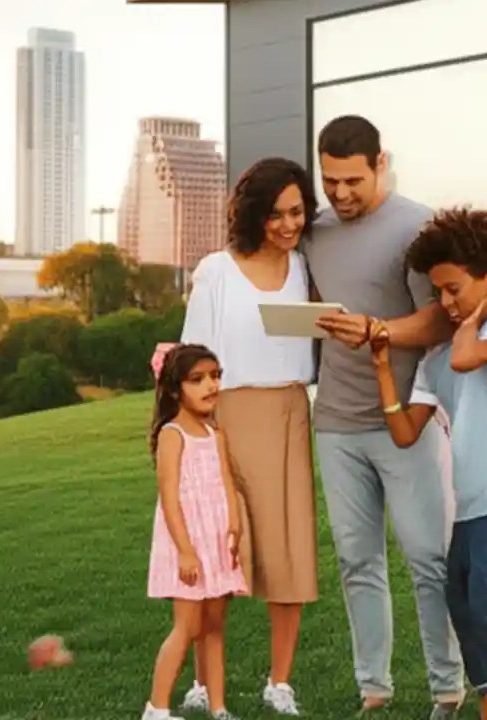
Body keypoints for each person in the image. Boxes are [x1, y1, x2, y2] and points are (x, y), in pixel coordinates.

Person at [306, 114, 464, 718]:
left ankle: (446, 689)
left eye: (352, 180)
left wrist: (378, 332)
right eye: (330, 182)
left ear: (380, 164)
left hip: (408, 423)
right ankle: (374, 688)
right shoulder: (314, 232)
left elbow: (439, 318)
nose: (340, 194)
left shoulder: (416, 227)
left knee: (428, 556)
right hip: (337, 423)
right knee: (356, 559)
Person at [368, 207, 487, 720]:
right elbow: (404, 432)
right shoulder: (435, 360)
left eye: (454, 289)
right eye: (437, 292)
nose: (444, 303)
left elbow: (470, 357)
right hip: (469, 507)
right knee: (465, 605)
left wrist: (477, 312)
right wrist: (382, 367)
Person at [178, 157, 319, 716]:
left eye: (296, 212)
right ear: (253, 214)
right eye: (275, 214)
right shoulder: (216, 271)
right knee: (218, 549)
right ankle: (199, 681)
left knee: (289, 552)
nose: (287, 225)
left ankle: (278, 682)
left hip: (288, 414)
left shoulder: (307, 270)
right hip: (226, 417)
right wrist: (198, 430)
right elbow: (190, 360)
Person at [143, 344, 249, 720]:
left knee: (214, 627)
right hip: (187, 542)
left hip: (217, 540)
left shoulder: (213, 432)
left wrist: (235, 526)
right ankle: (156, 708)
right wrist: (186, 550)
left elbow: (226, 482)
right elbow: (170, 500)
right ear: (175, 390)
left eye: (215, 376)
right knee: (186, 627)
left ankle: (218, 707)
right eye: (198, 379)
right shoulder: (173, 435)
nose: (210, 386)